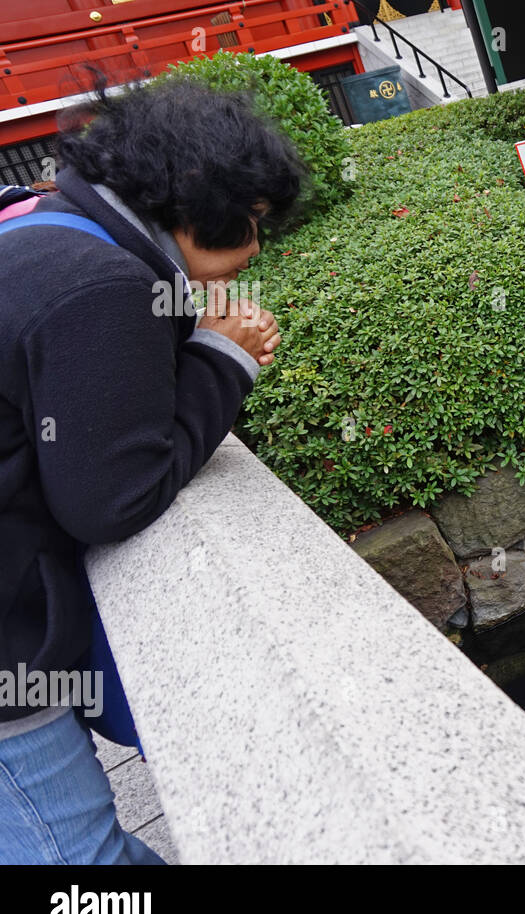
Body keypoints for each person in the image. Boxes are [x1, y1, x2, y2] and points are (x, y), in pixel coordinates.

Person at [0, 77, 304, 863]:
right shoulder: (100, 285)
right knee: (80, 864)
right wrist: (226, 356)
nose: (256, 251)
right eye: (253, 222)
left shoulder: (39, 220)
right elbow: (114, 493)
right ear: (196, 204)